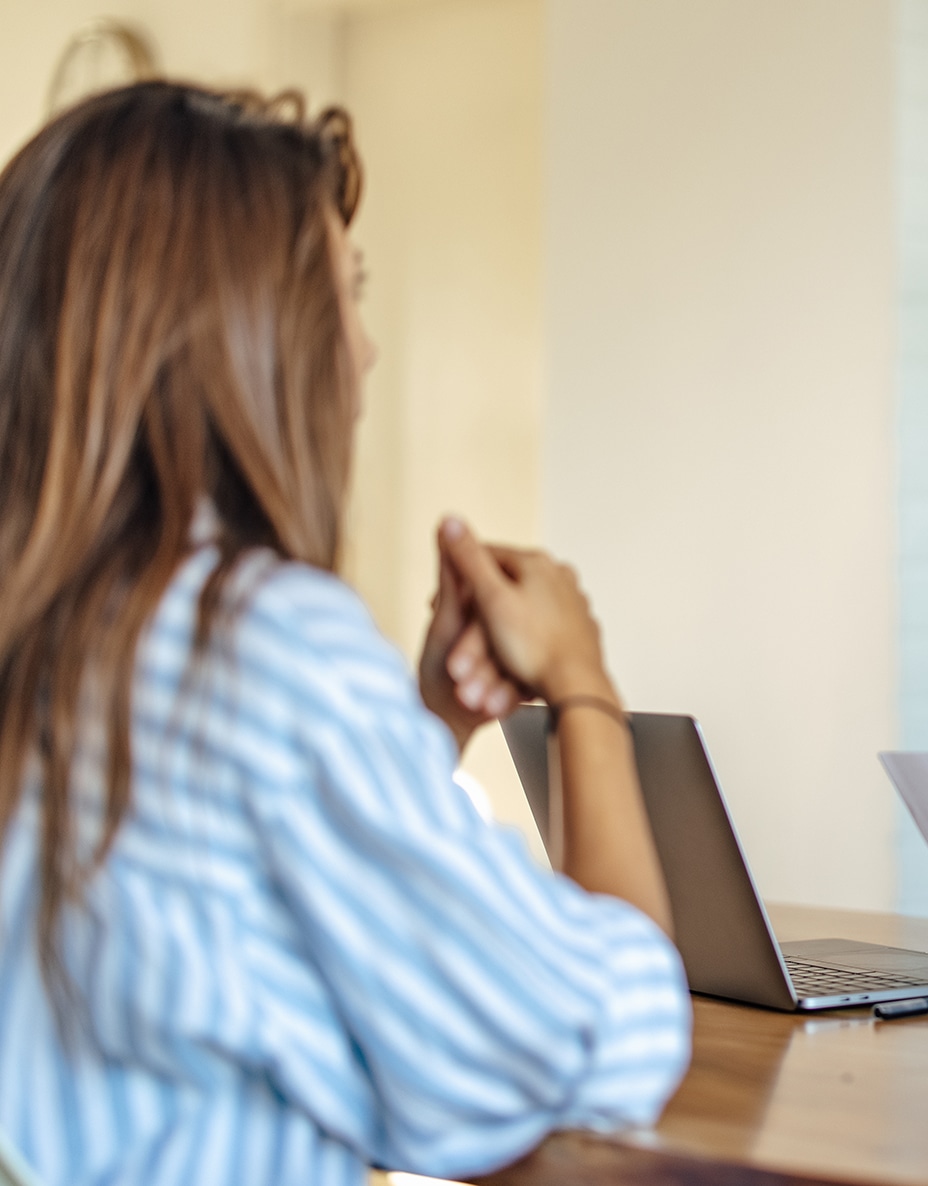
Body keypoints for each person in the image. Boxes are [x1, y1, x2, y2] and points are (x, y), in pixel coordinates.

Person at [0, 83, 689, 1183]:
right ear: (240, 336)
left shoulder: (59, 642)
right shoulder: (254, 644)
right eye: (347, 296)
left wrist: (420, 726)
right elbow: (596, 1041)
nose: (365, 354)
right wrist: (581, 680)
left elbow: (251, 942)